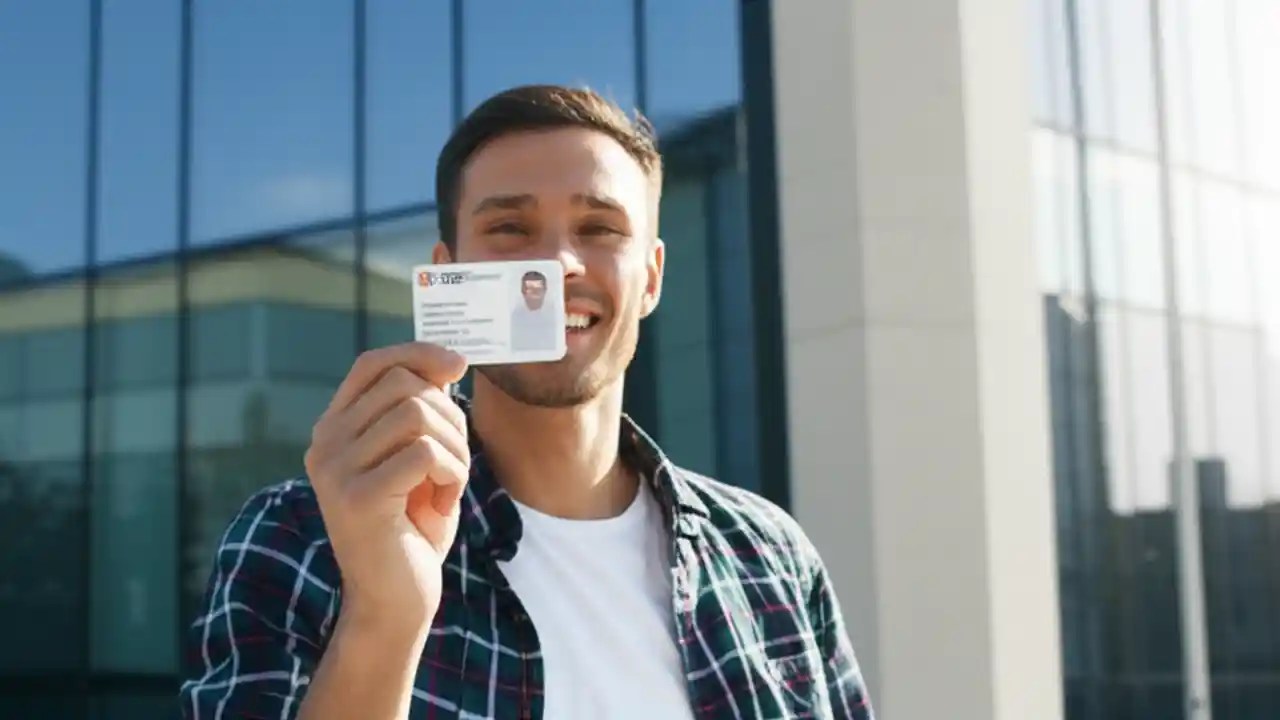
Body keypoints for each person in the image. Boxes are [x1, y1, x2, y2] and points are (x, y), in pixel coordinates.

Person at [179, 85, 873, 720]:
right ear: (447, 277)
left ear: (652, 278)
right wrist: (385, 614)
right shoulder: (304, 537)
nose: (559, 266)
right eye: (510, 229)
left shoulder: (770, 556)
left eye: (599, 229)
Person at [510, 269, 557, 352]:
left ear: (545, 290)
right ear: (523, 292)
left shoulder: (555, 316)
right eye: (531, 290)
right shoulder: (514, 317)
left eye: (538, 290)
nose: (535, 295)